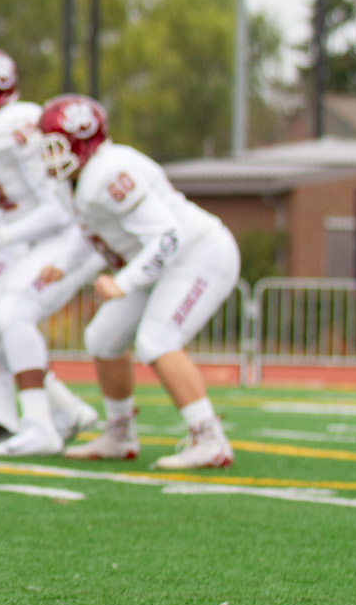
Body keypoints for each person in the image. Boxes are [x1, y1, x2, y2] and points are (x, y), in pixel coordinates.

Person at [35, 94, 237, 469]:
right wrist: (63, 264)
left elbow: (168, 236)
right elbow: (90, 227)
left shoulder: (107, 173)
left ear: (82, 142)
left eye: (55, 147)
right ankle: (120, 433)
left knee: (158, 340)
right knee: (103, 338)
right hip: (161, 261)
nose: (48, 157)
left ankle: (209, 438)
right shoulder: (75, 181)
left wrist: (124, 282)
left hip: (199, 253)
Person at [0, 46, 98, 454]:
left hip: (69, 238)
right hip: (36, 239)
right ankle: (66, 411)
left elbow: (57, 211)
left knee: (11, 316)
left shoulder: (13, 126)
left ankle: (39, 424)